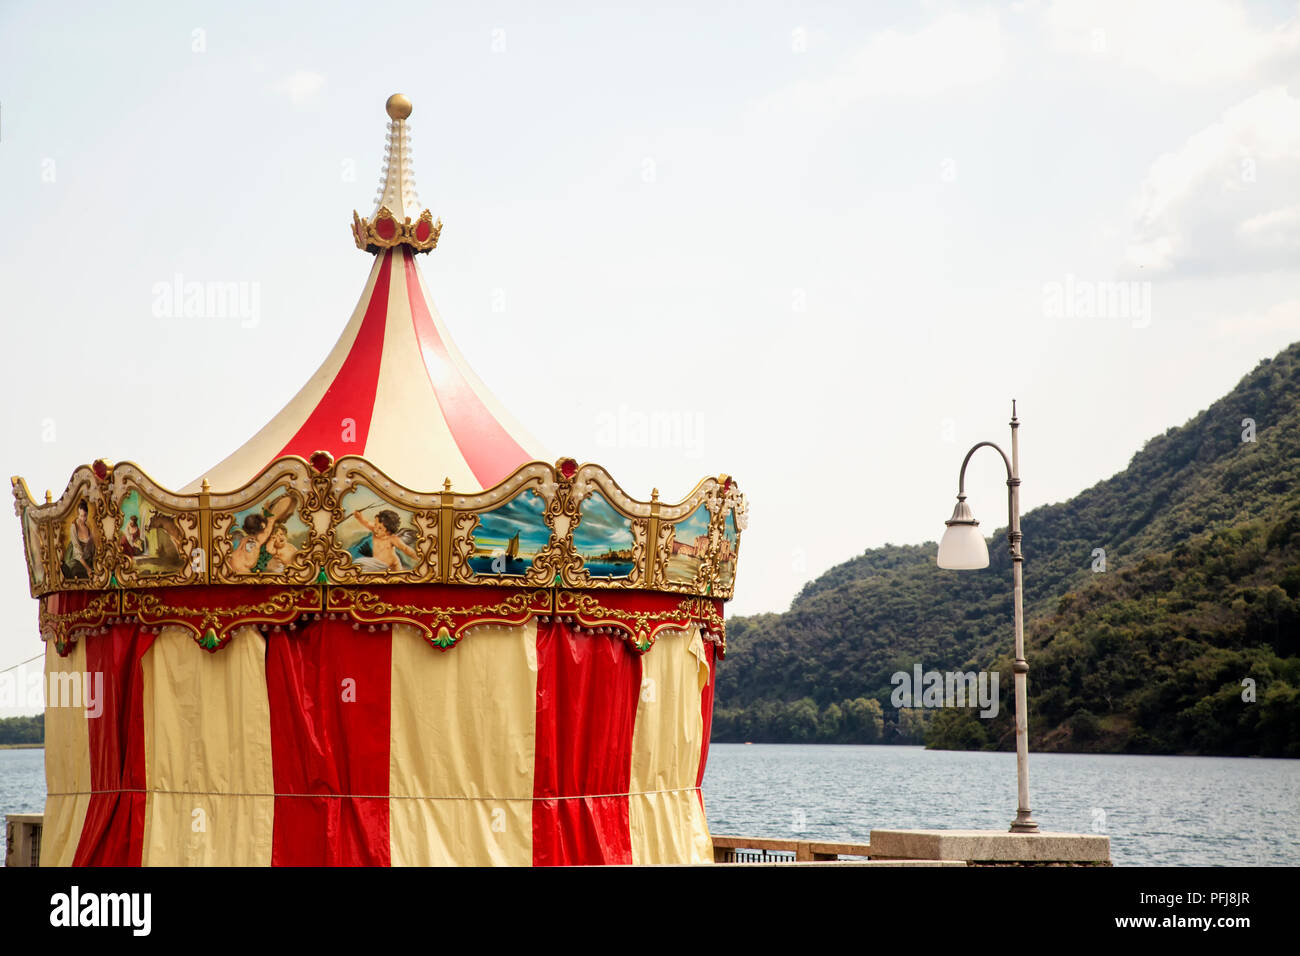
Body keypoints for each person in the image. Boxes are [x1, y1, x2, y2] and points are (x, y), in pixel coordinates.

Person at [351, 508, 418, 572]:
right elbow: (366, 522)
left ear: (388, 531)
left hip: (393, 562)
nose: (376, 529)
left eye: (380, 528)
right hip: (376, 563)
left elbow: (405, 548)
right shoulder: (375, 530)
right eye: (375, 524)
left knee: (399, 575)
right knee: (358, 563)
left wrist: (417, 557)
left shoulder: (392, 538)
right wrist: (359, 517)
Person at [62, 499, 96, 579]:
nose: (82, 519)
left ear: (87, 515)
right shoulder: (74, 527)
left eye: (84, 516)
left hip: (87, 559)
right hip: (76, 560)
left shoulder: (88, 527)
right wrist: (87, 569)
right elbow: (77, 552)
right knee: (75, 571)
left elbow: (91, 548)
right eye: (80, 515)